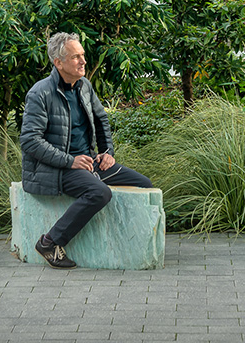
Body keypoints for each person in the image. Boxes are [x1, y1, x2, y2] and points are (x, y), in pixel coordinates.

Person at [19, 32, 153, 269]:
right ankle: (50, 242)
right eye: (76, 57)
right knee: (99, 193)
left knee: (144, 184)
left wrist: (107, 152)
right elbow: (30, 141)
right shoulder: (40, 93)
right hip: (56, 169)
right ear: (58, 63)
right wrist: (70, 161)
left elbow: (101, 120)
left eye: (82, 55)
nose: (83, 61)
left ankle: (134, 247)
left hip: (89, 162)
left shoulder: (84, 86)